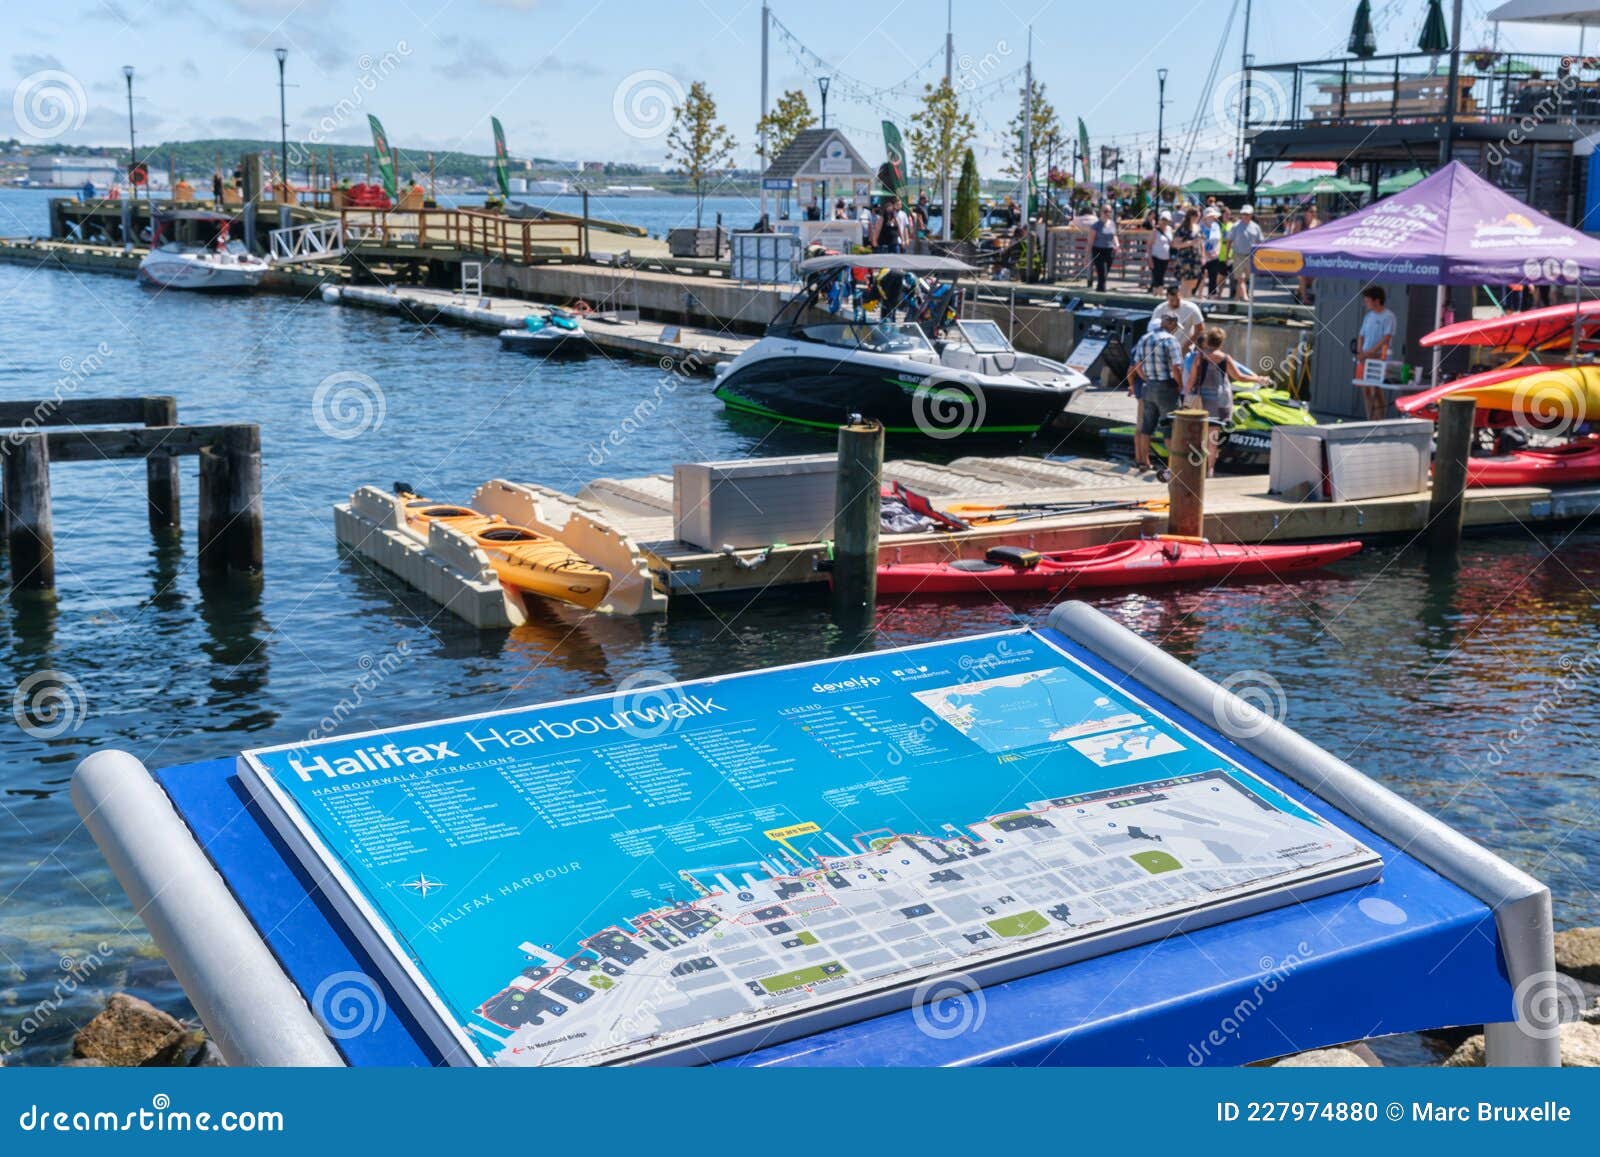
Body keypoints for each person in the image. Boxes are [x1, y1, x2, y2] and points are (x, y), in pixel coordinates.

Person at [1185, 325, 1268, 475]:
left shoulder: (1200, 357)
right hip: (1221, 399)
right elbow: (1240, 377)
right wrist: (1258, 379)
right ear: (1221, 343)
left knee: (1199, 434)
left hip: (1202, 399)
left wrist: (1185, 396)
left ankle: (1197, 467)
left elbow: (1191, 380)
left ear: (1208, 340)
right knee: (1213, 436)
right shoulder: (1225, 358)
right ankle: (1210, 469)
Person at [1129, 314, 1185, 472]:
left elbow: (1137, 364)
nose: (1175, 330)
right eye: (1175, 326)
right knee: (1169, 427)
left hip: (1149, 386)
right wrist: (1180, 385)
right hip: (1166, 387)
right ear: (1171, 323)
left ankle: (1144, 463)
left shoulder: (1144, 338)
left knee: (1147, 427)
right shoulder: (1170, 340)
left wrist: (1146, 378)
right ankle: (1173, 466)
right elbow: (1177, 367)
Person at [1355, 286, 1398, 420]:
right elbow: (1361, 335)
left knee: (1376, 388)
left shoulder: (1388, 316)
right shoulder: (1368, 316)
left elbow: (1386, 338)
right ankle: (1370, 418)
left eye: (1367, 300)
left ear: (1377, 300)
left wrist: (1369, 353)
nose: (1365, 303)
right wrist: (1360, 351)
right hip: (1365, 357)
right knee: (1365, 388)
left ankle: (1380, 419)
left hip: (1379, 357)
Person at [1151, 284, 1205, 351]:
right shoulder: (1159, 309)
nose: (1175, 303)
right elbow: (1153, 331)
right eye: (1172, 300)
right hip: (1165, 349)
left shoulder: (1191, 308)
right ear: (1167, 297)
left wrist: (1186, 346)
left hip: (1185, 349)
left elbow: (1200, 330)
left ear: (1181, 296)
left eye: (1177, 300)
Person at [1228, 204, 1263, 302]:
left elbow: (1260, 242)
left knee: (1246, 278)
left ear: (1251, 215)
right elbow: (1229, 241)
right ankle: (1245, 297)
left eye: (1247, 214)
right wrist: (1227, 255)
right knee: (1241, 278)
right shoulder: (1235, 226)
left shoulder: (1256, 227)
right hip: (1238, 254)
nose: (1245, 215)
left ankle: (1236, 298)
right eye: (1243, 214)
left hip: (1251, 256)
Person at [1172, 207, 1204, 297]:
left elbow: (1201, 242)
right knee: (1186, 281)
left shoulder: (1198, 227)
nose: (1199, 218)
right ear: (1191, 216)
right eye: (1197, 216)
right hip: (1185, 257)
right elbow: (1176, 244)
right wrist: (1191, 243)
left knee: (1194, 282)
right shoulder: (1183, 228)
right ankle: (1182, 302)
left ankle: (1187, 300)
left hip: (1196, 257)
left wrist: (1203, 255)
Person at [1087, 203, 1119, 292]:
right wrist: (1087, 256)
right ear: (1101, 212)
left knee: (1105, 274)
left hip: (1109, 250)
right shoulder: (1095, 225)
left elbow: (1114, 235)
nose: (1107, 213)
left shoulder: (1112, 223)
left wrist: (1117, 244)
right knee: (1102, 273)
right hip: (1098, 250)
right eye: (1105, 211)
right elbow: (1090, 242)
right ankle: (1102, 293)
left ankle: (1098, 293)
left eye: (1109, 211)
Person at [1200, 207, 1225, 299]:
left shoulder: (1216, 226)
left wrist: (1217, 251)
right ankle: (1198, 295)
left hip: (1214, 255)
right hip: (1203, 255)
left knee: (1213, 277)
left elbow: (1219, 240)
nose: (1212, 217)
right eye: (1210, 216)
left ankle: (1212, 296)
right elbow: (1200, 241)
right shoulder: (1200, 226)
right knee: (1201, 276)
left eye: (1213, 216)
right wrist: (1206, 253)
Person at [1148, 210, 1172, 293]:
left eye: (1166, 220)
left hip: (1165, 258)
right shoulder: (1155, 231)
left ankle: (1159, 293)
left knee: (1161, 276)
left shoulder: (1169, 230)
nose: (1165, 222)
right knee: (1157, 278)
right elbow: (1149, 245)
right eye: (1163, 219)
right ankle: (1156, 294)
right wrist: (1150, 259)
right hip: (1156, 257)